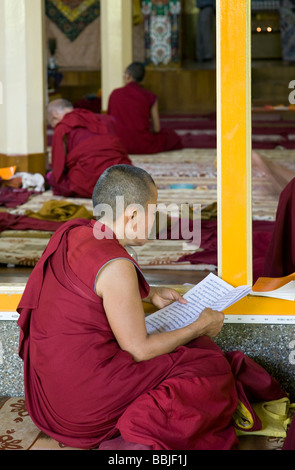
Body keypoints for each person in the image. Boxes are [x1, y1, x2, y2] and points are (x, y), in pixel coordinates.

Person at [17, 165, 286, 450]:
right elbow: (139, 350)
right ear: (132, 215)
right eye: (153, 212)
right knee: (209, 366)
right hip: (85, 407)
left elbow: (93, 290)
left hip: (53, 398)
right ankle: (139, 431)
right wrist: (199, 325)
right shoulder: (116, 265)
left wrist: (148, 293)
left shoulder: (72, 234)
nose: (155, 220)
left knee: (196, 349)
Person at [47, 99, 132, 198]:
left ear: (55, 115)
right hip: (122, 177)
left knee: (54, 179)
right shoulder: (104, 119)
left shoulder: (62, 127)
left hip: (89, 181)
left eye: (53, 123)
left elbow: (59, 166)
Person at [107, 62, 183, 154]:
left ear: (128, 75)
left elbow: (109, 123)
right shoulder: (150, 96)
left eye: (124, 74)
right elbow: (157, 129)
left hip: (119, 145)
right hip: (143, 145)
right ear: (142, 79)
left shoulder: (115, 94)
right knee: (170, 136)